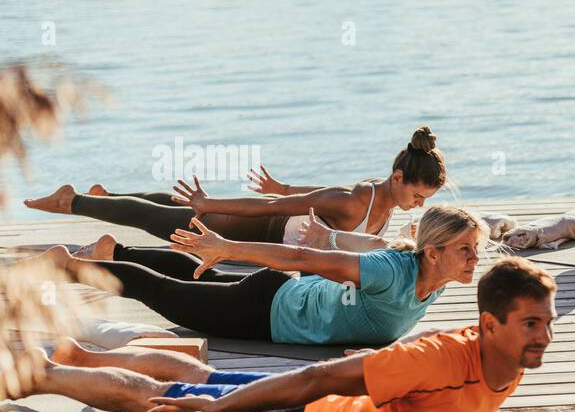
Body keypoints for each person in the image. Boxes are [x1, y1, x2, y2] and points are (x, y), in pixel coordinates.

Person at [25, 257, 557, 412]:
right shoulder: (444, 357)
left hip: (312, 411)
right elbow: (316, 378)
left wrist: (375, 362)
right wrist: (218, 410)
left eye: (547, 322)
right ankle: (36, 373)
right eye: (531, 324)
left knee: (197, 377)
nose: (545, 338)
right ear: (490, 324)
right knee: (160, 410)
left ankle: (79, 359)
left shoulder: (501, 356)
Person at [37, 202, 484, 347]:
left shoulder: (434, 280)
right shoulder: (390, 273)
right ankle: (65, 266)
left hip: (280, 297)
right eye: (466, 250)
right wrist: (230, 247)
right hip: (265, 311)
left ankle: (116, 250)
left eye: (476, 250)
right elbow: (300, 258)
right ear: (432, 252)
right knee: (158, 291)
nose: (474, 259)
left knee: (197, 278)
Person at [23, 127, 447, 246]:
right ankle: (72, 201)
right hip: (249, 226)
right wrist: (211, 203)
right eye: (417, 196)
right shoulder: (357, 203)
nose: (418, 205)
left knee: (173, 209)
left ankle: (108, 197)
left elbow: (320, 191)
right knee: (161, 220)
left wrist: (282, 187)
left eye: (424, 201)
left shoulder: (384, 200)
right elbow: (270, 211)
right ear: (397, 179)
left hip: (269, 222)